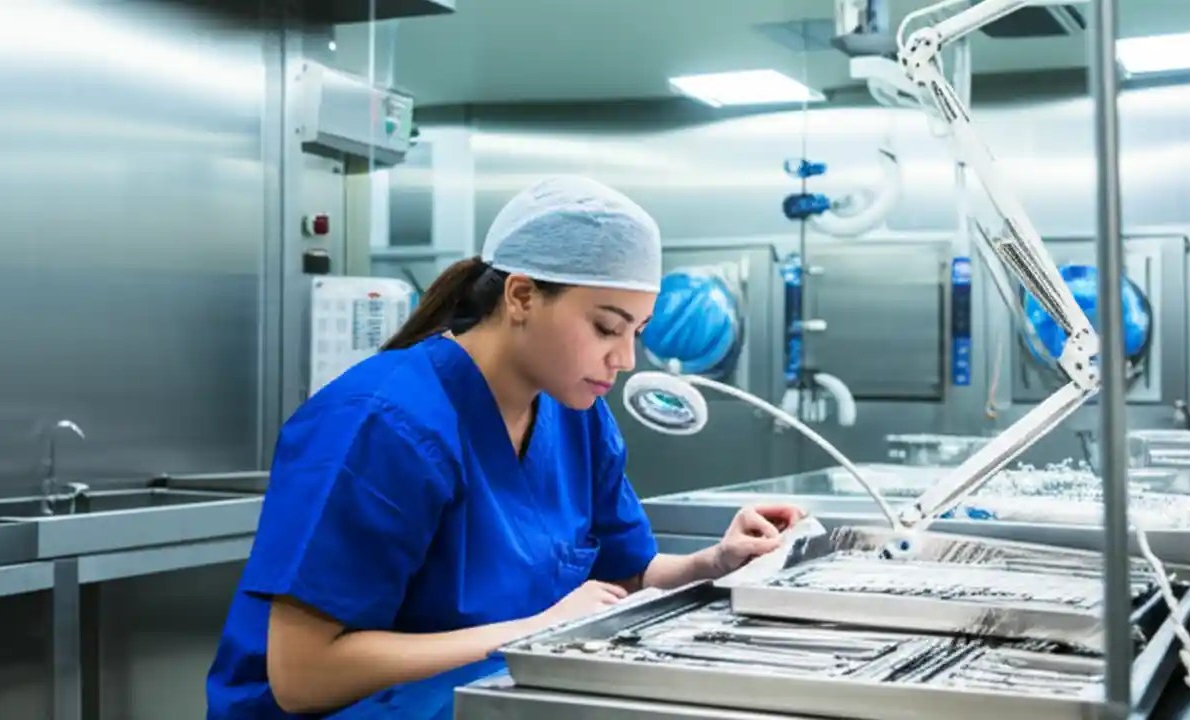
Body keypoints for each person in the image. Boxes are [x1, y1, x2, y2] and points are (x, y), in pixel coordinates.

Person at [205, 176, 805, 719]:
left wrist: (714, 564)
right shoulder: (383, 426)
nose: (624, 361)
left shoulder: (576, 416)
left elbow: (622, 574)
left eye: (636, 334)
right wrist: (532, 630)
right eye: (606, 328)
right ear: (520, 296)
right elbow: (303, 676)